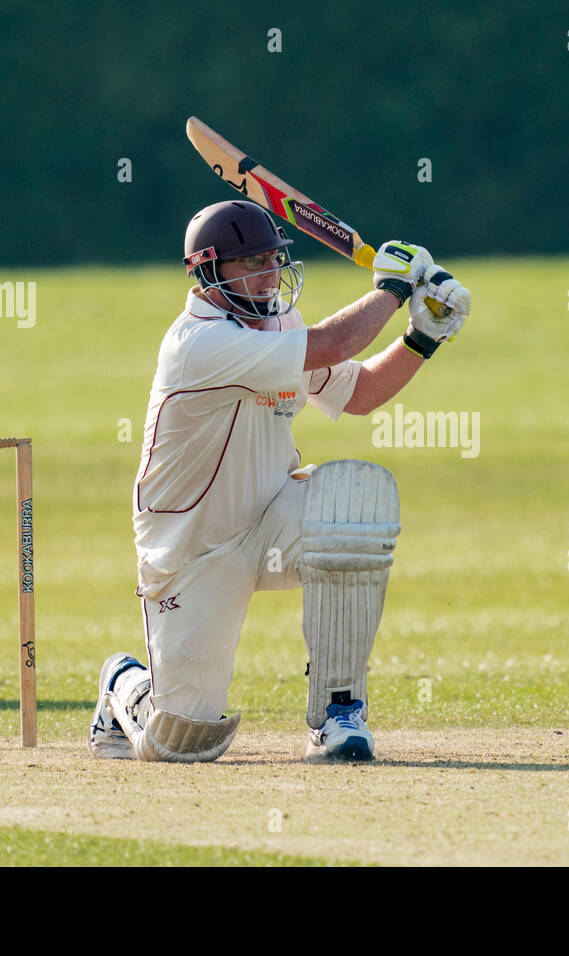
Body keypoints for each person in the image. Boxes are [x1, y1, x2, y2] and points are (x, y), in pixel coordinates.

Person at [88, 200, 470, 761]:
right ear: (208, 273)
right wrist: (392, 288)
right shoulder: (198, 344)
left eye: (273, 259)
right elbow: (334, 344)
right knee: (179, 740)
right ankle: (124, 683)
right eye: (252, 264)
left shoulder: (276, 318)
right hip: (193, 552)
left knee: (349, 510)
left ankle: (340, 715)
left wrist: (422, 336)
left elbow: (357, 391)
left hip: (273, 518)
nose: (269, 276)